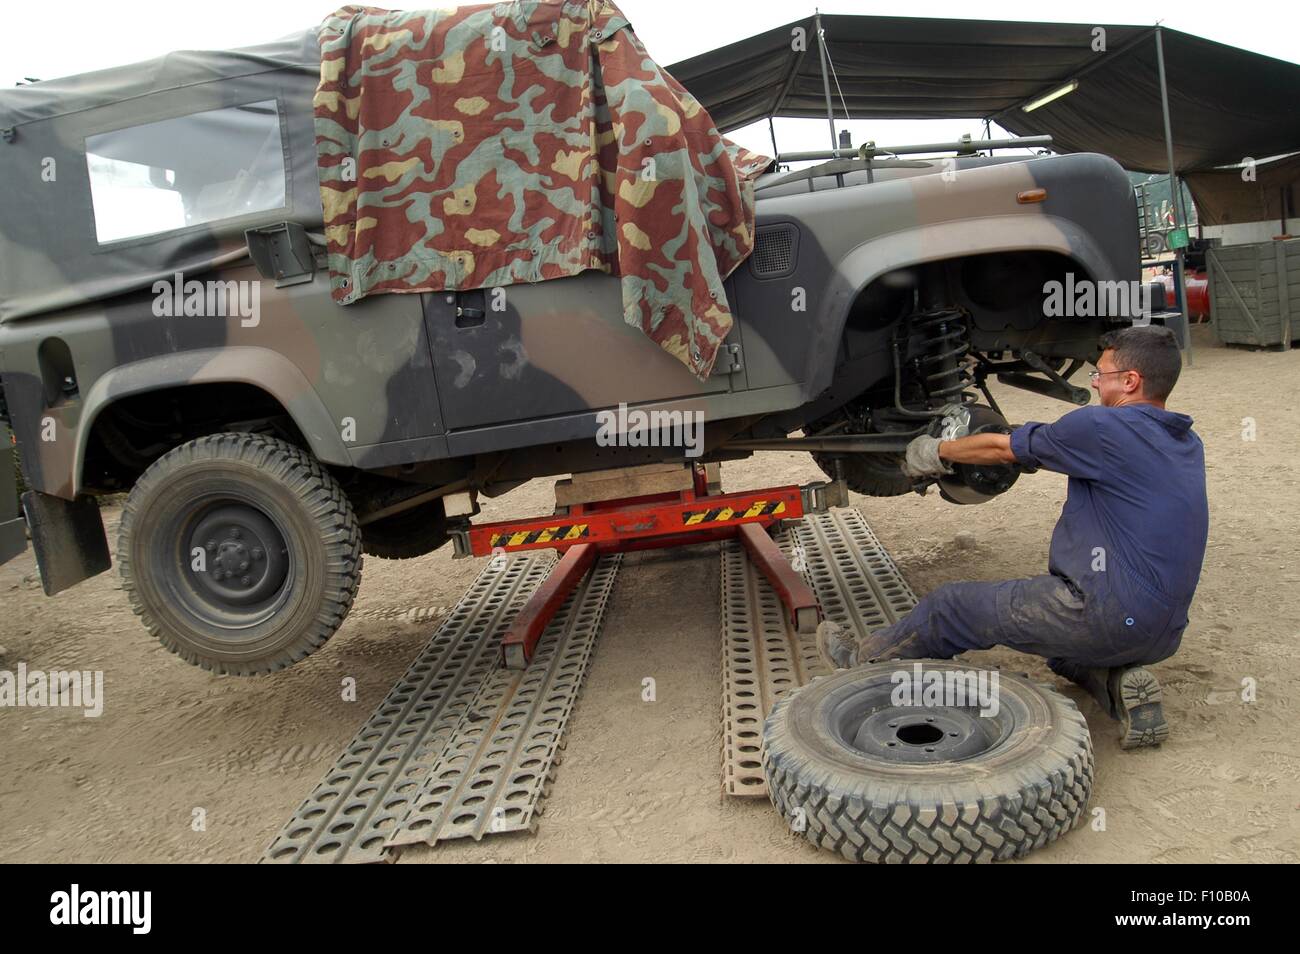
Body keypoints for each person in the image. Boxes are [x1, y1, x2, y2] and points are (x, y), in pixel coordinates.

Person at [819, 325, 1208, 748]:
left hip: (1104, 614)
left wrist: (935, 452)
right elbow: (1054, 444)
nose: (1094, 382)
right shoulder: (1185, 440)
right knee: (1060, 653)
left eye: (1101, 374)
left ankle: (863, 659)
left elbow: (1002, 449)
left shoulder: (1101, 427)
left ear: (1130, 381)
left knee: (951, 607)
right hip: (1164, 632)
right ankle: (1115, 683)